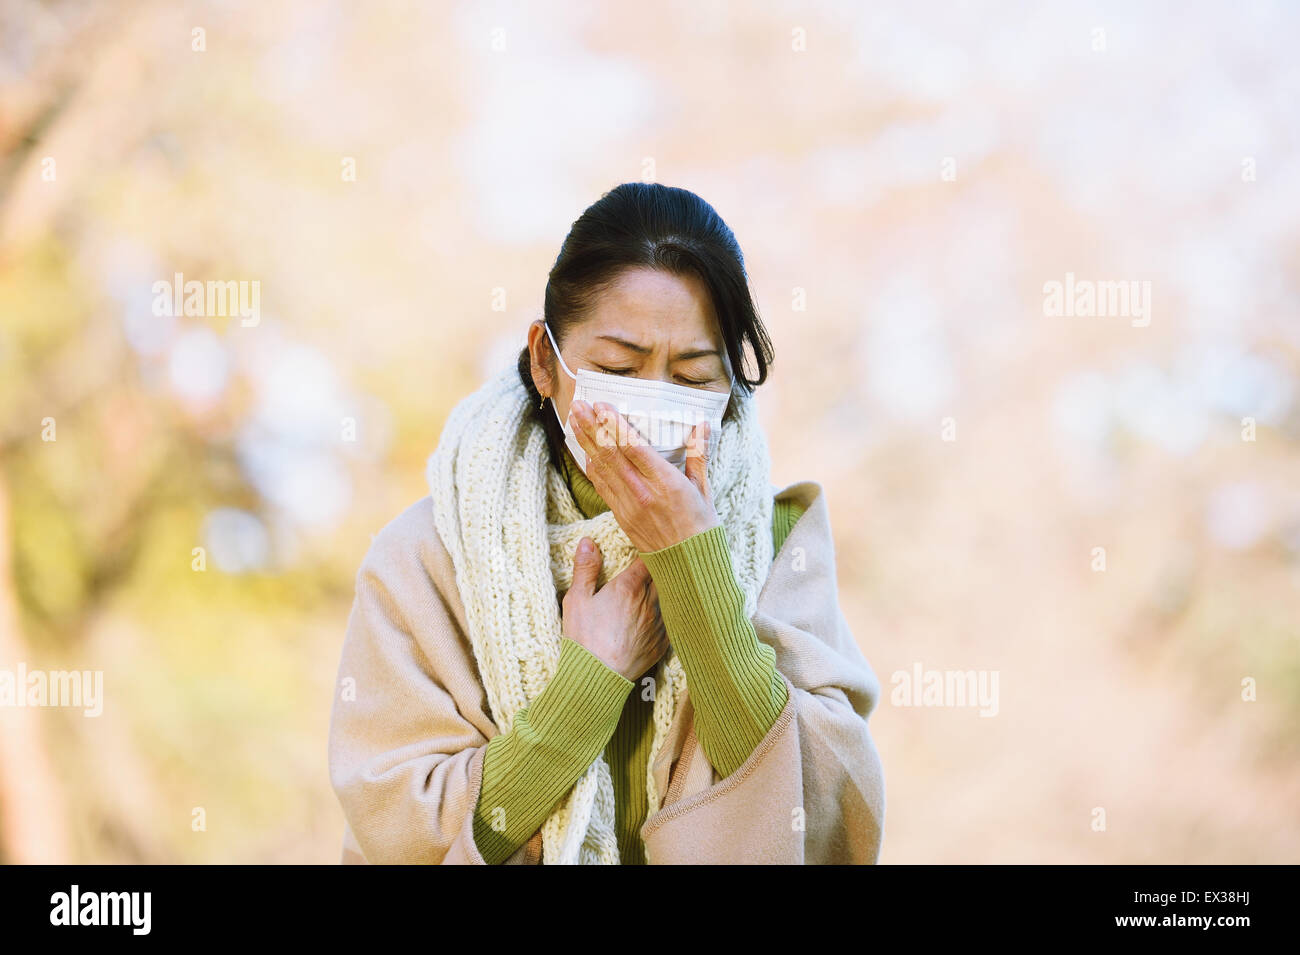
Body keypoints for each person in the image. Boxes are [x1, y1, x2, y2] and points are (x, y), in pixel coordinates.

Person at [327, 182, 885, 864]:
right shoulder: (427, 557)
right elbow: (398, 836)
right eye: (618, 367)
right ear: (543, 360)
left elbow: (821, 819)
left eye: (692, 374)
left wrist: (694, 567)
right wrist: (589, 685)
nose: (650, 403)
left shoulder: (778, 539)